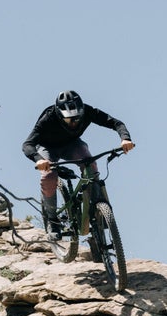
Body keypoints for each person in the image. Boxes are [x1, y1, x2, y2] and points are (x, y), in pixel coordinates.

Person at [23, 90, 134, 238]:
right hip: (47, 147)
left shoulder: (88, 111)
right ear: (59, 115)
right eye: (69, 120)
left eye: (77, 118)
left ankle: (97, 207)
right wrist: (38, 159)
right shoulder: (48, 118)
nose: (74, 123)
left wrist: (125, 138)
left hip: (72, 144)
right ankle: (52, 221)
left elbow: (116, 123)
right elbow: (28, 144)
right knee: (49, 176)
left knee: (91, 164)